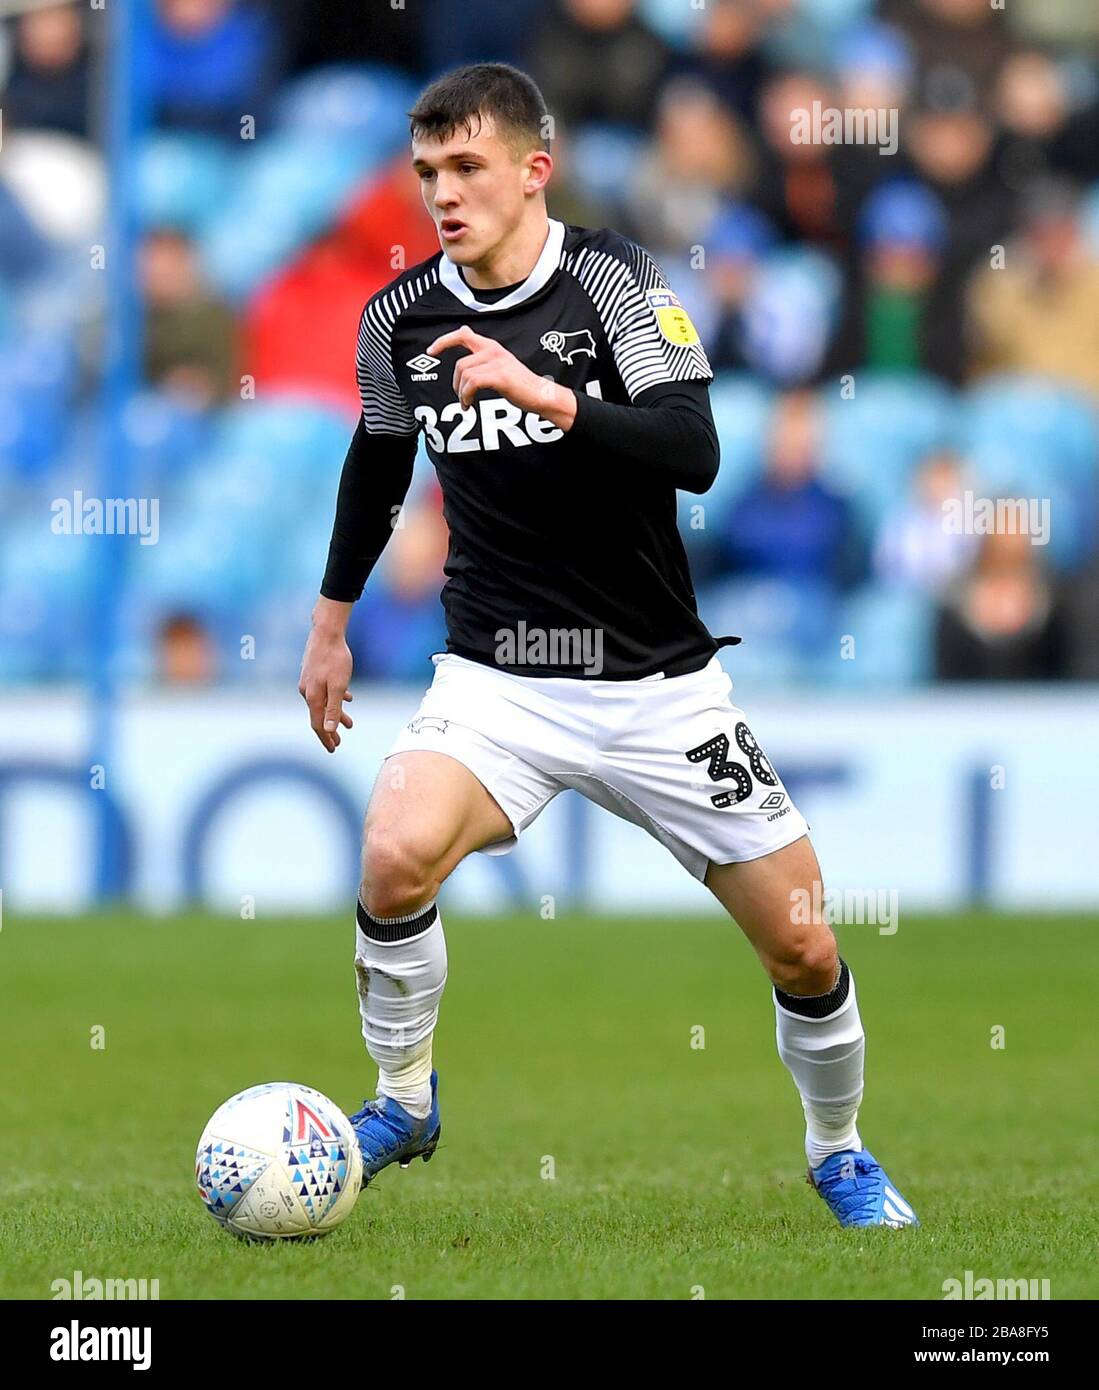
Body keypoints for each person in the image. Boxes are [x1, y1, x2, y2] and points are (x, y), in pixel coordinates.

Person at [298, 63, 919, 1229]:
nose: (443, 192)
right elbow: (379, 463)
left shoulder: (616, 280)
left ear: (536, 170)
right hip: (496, 678)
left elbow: (694, 449)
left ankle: (837, 1151)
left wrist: (549, 396)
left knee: (802, 942)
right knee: (392, 852)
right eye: (428, 171)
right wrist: (330, 622)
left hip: (656, 687)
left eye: (468, 167)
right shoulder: (400, 317)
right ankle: (403, 1098)